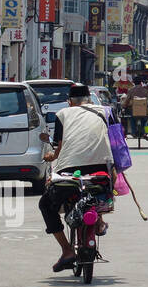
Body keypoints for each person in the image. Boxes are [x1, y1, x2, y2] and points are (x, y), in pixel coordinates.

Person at [39, 83, 115, 273]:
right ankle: (98, 221)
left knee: (46, 205)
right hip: (101, 171)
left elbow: (59, 148)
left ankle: (66, 251)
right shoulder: (106, 111)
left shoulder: (63, 114)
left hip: (70, 172)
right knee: (100, 192)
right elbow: (117, 142)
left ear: (70, 102)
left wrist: (50, 156)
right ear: (89, 99)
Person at [123, 77, 148, 142]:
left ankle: (133, 133)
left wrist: (124, 106)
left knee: (132, 119)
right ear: (140, 82)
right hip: (144, 111)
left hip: (133, 111)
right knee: (145, 120)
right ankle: (145, 133)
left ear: (133, 83)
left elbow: (127, 100)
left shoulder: (131, 90)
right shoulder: (145, 90)